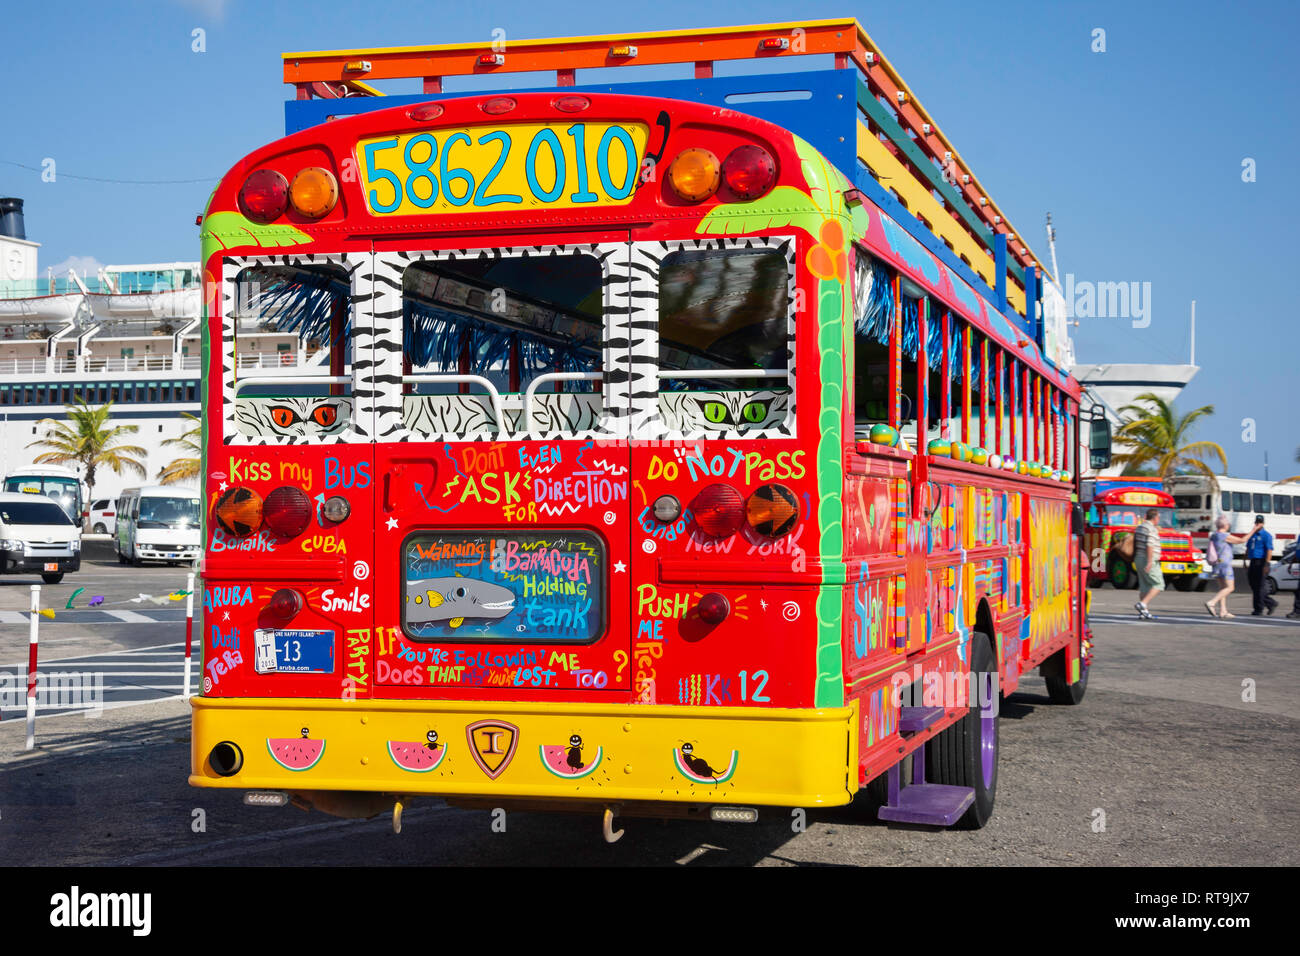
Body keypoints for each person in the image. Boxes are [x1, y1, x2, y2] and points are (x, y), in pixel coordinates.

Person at [1204, 516, 1246, 618]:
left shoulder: (1214, 535)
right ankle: (1212, 602)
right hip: (1225, 564)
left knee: (1222, 588)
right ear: (1225, 525)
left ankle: (1223, 611)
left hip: (1216, 564)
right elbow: (1242, 540)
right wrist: (1254, 530)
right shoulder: (1224, 535)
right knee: (1230, 587)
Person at [1133, 508, 1165, 620]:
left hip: (1138, 558)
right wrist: (1150, 561)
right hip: (1148, 558)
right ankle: (1143, 604)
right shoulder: (1151, 529)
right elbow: (1150, 545)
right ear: (1155, 518)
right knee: (1159, 584)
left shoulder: (1139, 527)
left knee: (1144, 585)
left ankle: (1144, 612)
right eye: (1158, 518)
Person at [1244, 515, 1277, 616]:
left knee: (1260, 587)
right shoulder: (1252, 535)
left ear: (1263, 523)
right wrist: (1245, 560)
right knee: (1253, 585)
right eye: (1256, 522)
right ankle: (1271, 603)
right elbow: (1248, 548)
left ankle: (1258, 609)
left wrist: (1266, 564)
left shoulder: (1266, 535)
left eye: (1260, 522)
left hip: (1261, 562)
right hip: (1253, 561)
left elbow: (1269, 550)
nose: (1257, 524)